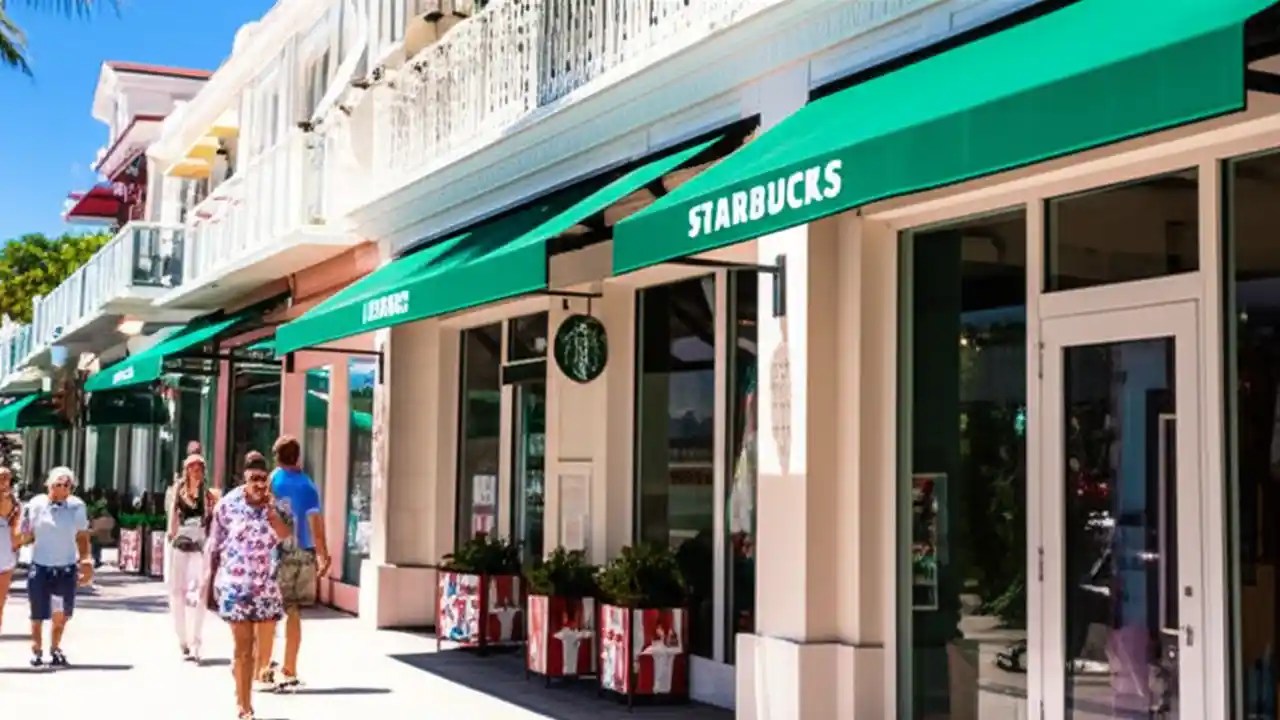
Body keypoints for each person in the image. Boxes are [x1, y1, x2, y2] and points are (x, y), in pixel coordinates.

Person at [203, 451, 289, 720]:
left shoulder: (276, 505)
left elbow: (285, 535)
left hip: (265, 586)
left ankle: (242, 675)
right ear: (245, 477)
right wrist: (209, 584)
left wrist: (271, 512)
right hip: (236, 586)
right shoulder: (227, 505)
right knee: (243, 648)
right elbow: (214, 545)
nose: (259, 484)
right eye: (254, 478)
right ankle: (244, 707)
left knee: (260, 655)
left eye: (263, 478)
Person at [256, 435, 330, 691]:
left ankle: (263, 667)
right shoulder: (308, 485)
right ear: (297, 457)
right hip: (304, 553)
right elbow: (315, 524)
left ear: (277, 457)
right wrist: (323, 554)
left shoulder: (272, 481)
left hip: (277, 551)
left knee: (269, 611)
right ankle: (290, 668)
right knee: (294, 610)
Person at [19, 467, 91, 668]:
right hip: (40, 566)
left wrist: (86, 561)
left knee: (61, 614)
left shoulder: (76, 506)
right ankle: (36, 649)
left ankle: (55, 647)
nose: (62, 488)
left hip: (65, 567)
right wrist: (21, 536)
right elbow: (25, 532)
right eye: (58, 484)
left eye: (67, 485)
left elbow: (82, 536)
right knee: (38, 612)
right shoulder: (35, 504)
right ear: (48, 485)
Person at [168, 454, 218, 662]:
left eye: (200, 468)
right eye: (192, 468)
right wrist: (171, 533)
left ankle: (196, 640)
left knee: (200, 591)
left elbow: (212, 521)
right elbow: (173, 516)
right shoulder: (178, 492)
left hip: (199, 544)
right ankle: (183, 640)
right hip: (181, 543)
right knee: (177, 592)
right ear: (186, 470)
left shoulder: (208, 495)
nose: (196, 472)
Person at [0, 467, 19, 634]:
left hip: (5, 557)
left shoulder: (14, 503)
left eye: (6, 478)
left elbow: (18, 530)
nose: (3, 481)